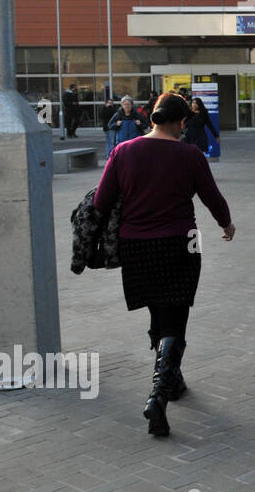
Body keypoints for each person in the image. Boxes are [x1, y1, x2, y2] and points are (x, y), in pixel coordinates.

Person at [92, 93, 236, 437]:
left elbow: (101, 200)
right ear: (179, 122)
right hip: (182, 242)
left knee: (158, 312)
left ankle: (173, 379)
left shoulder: (123, 152)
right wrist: (226, 223)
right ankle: (158, 394)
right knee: (177, 316)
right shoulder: (188, 154)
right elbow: (210, 195)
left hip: (136, 245)